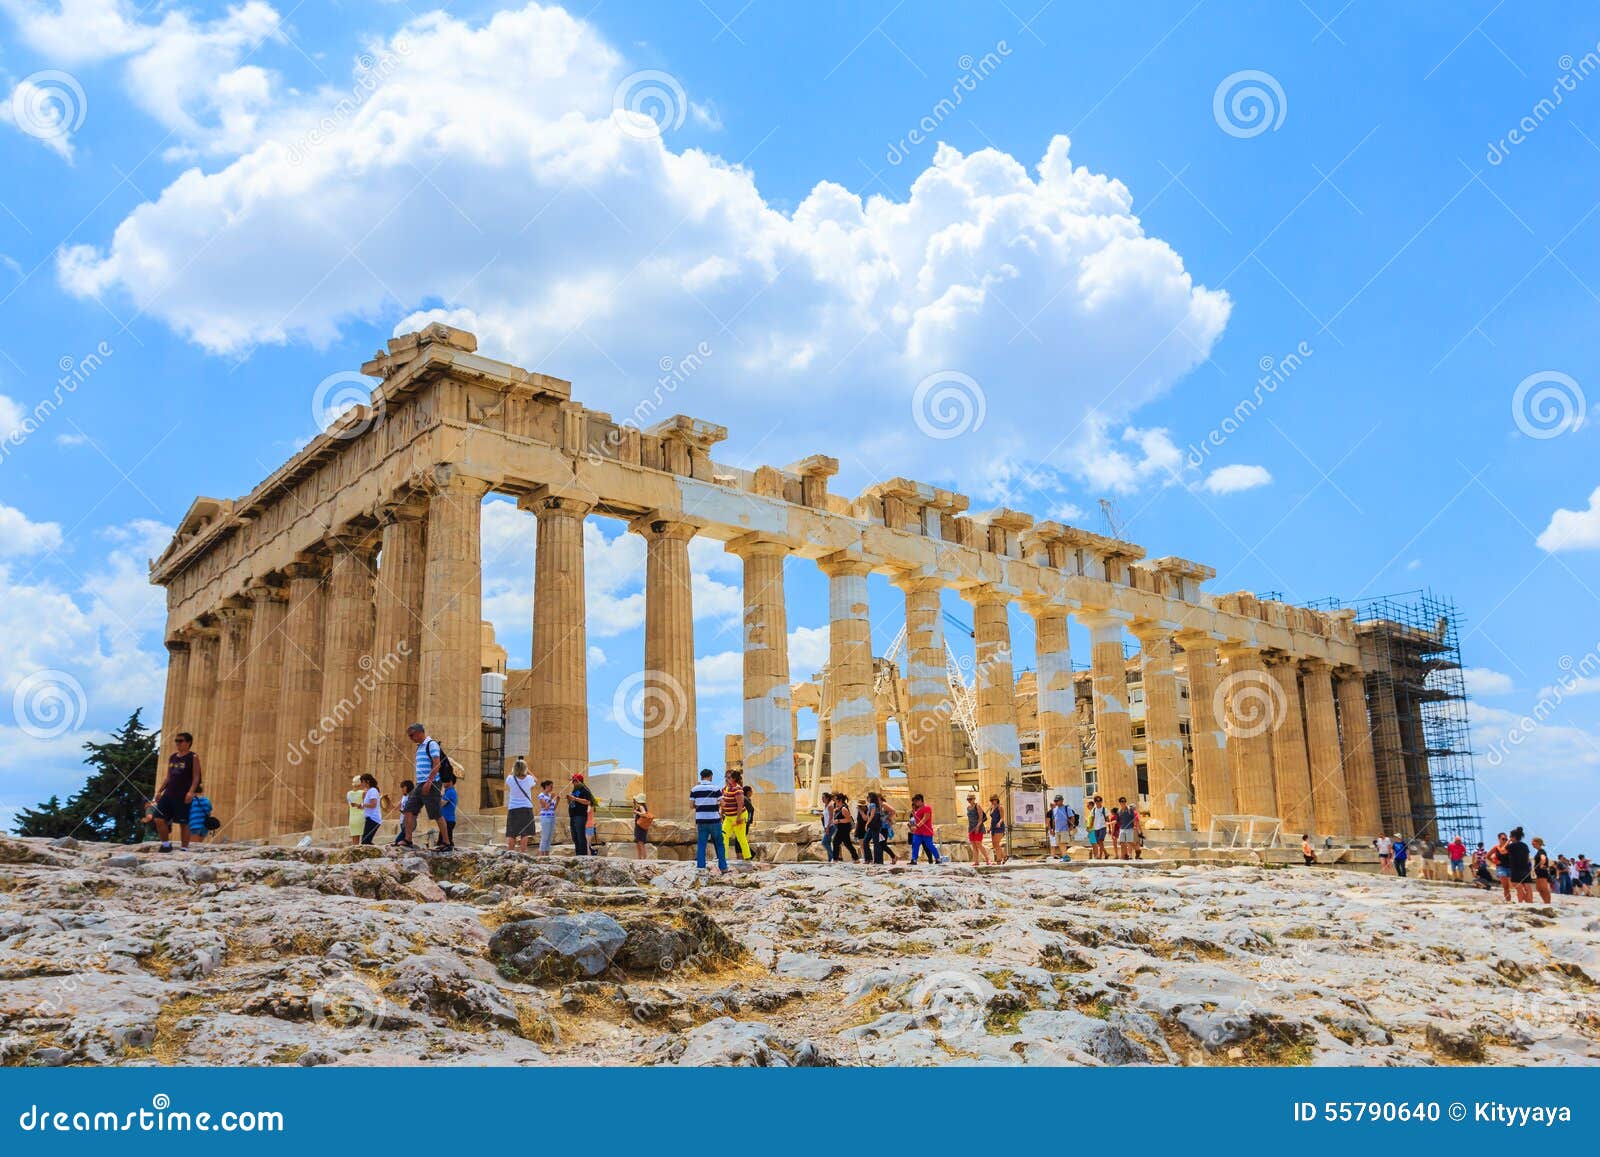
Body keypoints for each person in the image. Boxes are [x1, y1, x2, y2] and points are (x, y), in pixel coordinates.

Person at [153, 731, 204, 852]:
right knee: (158, 818)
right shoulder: (172, 757)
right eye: (176, 741)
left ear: (188, 742)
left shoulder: (193, 757)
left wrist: (191, 792)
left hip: (183, 793)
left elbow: (196, 777)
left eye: (180, 741)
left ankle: (184, 848)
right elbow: (168, 777)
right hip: (169, 793)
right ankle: (165, 844)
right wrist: (159, 791)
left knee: (183, 822)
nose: (178, 743)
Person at [401, 723, 447, 850]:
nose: (410, 738)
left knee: (436, 814)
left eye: (412, 735)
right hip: (420, 784)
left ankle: (446, 842)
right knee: (408, 810)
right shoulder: (419, 747)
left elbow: (437, 764)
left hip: (430, 784)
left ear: (420, 732)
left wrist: (429, 782)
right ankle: (408, 839)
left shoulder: (431, 744)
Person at [691, 768, 727, 873]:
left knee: (702, 843)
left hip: (701, 820)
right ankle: (723, 867)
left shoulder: (694, 789)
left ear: (701, 776)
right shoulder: (716, 789)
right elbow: (723, 803)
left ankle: (701, 867)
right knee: (719, 843)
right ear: (710, 776)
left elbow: (691, 805)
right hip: (714, 820)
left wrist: (701, 805)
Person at [504, 757, 537, 854]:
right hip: (526, 807)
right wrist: (528, 770)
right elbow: (536, 779)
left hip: (513, 808)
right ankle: (523, 852)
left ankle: (510, 853)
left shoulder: (510, 779)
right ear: (525, 769)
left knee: (511, 832)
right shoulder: (529, 779)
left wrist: (514, 768)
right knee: (525, 832)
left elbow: (510, 775)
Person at [721, 770, 752, 860]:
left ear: (734, 779)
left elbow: (740, 804)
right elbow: (723, 801)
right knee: (723, 835)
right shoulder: (725, 788)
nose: (726, 779)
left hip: (739, 816)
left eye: (729, 777)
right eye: (725, 777)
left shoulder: (737, 789)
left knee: (741, 837)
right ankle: (724, 857)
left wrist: (738, 818)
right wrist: (721, 813)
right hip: (728, 817)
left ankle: (747, 857)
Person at [567, 772, 597, 856]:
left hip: (580, 815)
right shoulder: (575, 790)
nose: (572, 783)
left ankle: (583, 857)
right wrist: (569, 799)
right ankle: (578, 855)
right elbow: (572, 802)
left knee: (581, 837)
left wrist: (575, 798)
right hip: (573, 815)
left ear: (578, 781)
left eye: (573, 781)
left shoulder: (584, 789)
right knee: (575, 837)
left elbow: (588, 801)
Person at [908, 793, 942, 865]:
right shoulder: (917, 809)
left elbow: (924, 819)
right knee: (915, 844)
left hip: (926, 831)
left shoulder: (927, 808)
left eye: (916, 801)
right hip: (918, 832)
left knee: (929, 845)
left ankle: (938, 858)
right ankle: (914, 859)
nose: (915, 803)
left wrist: (916, 826)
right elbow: (916, 819)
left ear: (920, 800)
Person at [1504, 827, 1534, 904]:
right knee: (1527, 886)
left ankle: (1521, 902)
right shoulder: (1525, 845)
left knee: (1517, 885)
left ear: (1513, 837)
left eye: (1510, 836)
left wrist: (1508, 841)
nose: (1510, 838)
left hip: (1516, 868)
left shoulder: (1512, 845)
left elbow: (1502, 850)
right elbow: (1527, 858)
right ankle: (1530, 902)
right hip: (1525, 868)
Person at [830, 793, 859, 862]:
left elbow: (848, 819)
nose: (834, 800)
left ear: (840, 800)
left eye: (836, 799)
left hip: (844, 829)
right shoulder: (838, 808)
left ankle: (835, 859)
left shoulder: (844, 809)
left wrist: (838, 820)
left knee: (835, 842)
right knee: (847, 843)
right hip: (840, 828)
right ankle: (856, 858)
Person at [864, 791, 889, 865]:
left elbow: (872, 814)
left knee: (874, 843)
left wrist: (867, 824)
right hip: (875, 826)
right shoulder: (876, 805)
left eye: (868, 797)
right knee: (872, 842)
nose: (867, 798)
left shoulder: (872, 804)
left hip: (873, 826)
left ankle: (875, 860)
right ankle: (874, 860)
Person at [965, 794, 991, 865]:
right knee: (973, 845)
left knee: (978, 843)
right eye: (968, 799)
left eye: (970, 799)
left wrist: (977, 827)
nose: (969, 800)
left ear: (974, 799)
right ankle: (976, 861)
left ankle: (987, 859)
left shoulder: (977, 806)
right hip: (971, 828)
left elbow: (980, 818)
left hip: (978, 827)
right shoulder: (968, 808)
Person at [438, 768, 458, 851]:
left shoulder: (450, 792)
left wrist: (437, 796)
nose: (443, 783)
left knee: (447, 842)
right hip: (446, 820)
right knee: (442, 841)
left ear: (450, 782)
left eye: (445, 781)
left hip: (448, 820)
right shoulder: (448, 792)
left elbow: (442, 803)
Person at [358, 774, 382, 845]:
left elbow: (373, 804)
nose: (361, 784)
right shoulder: (369, 791)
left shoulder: (373, 790)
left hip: (373, 819)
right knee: (366, 841)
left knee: (365, 841)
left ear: (367, 781)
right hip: (370, 819)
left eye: (362, 782)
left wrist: (363, 805)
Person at [1047, 794, 1072, 862]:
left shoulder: (1067, 808)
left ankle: (1065, 856)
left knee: (1063, 843)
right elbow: (1055, 820)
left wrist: (1071, 827)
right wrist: (1053, 830)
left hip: (1064, 828)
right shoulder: (1054, 810)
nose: (1056, 802)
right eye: (1055, 801)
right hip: (1057, 829)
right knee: (1059, 843)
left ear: (1061, 801)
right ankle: (1065, 856)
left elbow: (1072, 817)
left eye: (1057, 801)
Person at [1488, 832, 1511, 902]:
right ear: (1499, 839)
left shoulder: (1509, 847)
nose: (1505, 840)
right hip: (1501, 868)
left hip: (1510, 868)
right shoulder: (1496, 847)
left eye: (1506, 839)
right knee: (1506, 887)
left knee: (1513, 886)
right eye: (1503, 839)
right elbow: (1488, 856)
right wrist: (1495, 862)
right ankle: (1508, 901)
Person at [1114, 797, 1138, 861]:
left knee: (1129, 842)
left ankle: (1132, 853)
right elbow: (1117, 820)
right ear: (1120, 802)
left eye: (1124, 801)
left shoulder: (1130, 810)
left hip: (1129, 828)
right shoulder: (1119, 811)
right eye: (1122, 801)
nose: (1123, 802)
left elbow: (1134, 818)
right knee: (1122, 842)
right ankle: (1124, 855)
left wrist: (1135, 826)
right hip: (1122, 828)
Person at [537, 779, 558, 856]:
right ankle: (541, 856)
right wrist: (551, 799)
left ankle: (547, 855)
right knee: (545, 837)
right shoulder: (541, 795)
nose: (552, 788)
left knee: (549, 837)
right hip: (545, 817)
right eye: (551, 786)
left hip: (552, 817)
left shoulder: (550, 796)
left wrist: (557, 799)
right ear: (546, 786)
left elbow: (554, 808)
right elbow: (545, 807)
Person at [1532, 837, 1553, 905]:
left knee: (1544, 888)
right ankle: (1546, 902)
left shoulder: (1541, 851)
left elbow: (1543, 858)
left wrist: (1541, 865)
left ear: (1538, 843)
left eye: (1533, 842)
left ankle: (1548, 903)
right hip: (1539, 872)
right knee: (1539, 888)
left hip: (1542, 872)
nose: (1532, 844)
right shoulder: (1539, 851)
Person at [878, 795, 899, 864]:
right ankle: (893, 857)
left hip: (885, 827)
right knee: (881, 843)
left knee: (882, 844)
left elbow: (893, 811)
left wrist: (888, 818)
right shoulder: (880, 805)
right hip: (882, 827)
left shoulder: (883, 804)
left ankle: (893, 856)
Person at [988, 794, 1008, 865]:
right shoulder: (992, 808)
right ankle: (1004, 856)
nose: (993, 801)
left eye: (994, 800)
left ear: (997, 800)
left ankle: (998, 860)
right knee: (994, 844)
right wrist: (990, 828)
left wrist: (999, 823)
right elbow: (992, 819)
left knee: (996, 843)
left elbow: (1002, 818)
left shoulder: (1000, 807)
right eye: (991, 800)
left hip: (999, 827)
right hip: (993, 827)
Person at [1088, 795, 1109, 860]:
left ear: (1101, 801)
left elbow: (1107, 819)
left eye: (1099, 801)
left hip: (1102, 827)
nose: (1098, 802)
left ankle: (1100, 856)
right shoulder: (1093, 810)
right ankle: (1106, 854)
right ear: (1095, 802)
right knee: (1099, 843)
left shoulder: (1104, 809)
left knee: (1100, 841)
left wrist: (1109, 827)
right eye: (1096, 801)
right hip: (1095, 828)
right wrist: (1090, 828)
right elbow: (1092, 819)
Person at [346, 775, 365, 846]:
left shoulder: (348, 794)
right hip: (361, 817)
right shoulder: (363, 793)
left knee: (354, 843)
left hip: (352, 818)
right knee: (364, 840)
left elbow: (350, 805)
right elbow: (364, 806)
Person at [633, 794, 653, 860]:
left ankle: (643, 858)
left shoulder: (641, 807)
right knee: (638, 843)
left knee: (640, 843)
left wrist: (636, 812)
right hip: (640, 827)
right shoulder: (642, 806)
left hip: (640, 828)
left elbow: (644, 814)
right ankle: (639, 858)